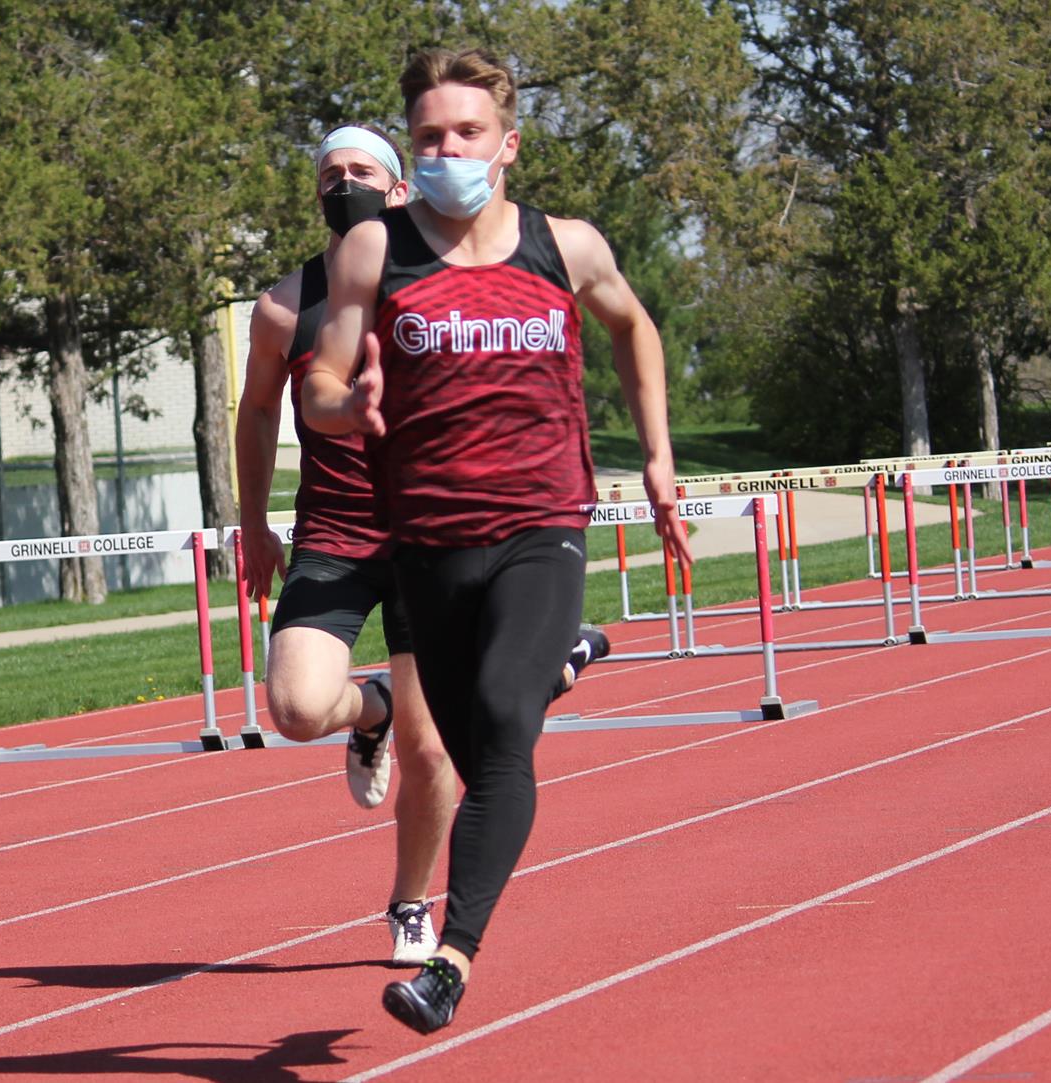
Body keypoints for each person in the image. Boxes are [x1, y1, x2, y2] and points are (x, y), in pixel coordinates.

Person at [300, 51, 692, 1034]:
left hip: (541, 526)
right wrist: (347, 406)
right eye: (427, 137)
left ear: (505, 145)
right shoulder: (371, 254)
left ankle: (448, 960)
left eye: (464, 135)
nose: (445, 152)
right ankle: (562, 660)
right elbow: (318, 385)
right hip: (427, 539)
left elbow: (632, 330)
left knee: (504, 730)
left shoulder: (564, 246)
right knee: (476, 745)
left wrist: (655, 461)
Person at [236, 123, 611, 967]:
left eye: (363, 171)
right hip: (334, 530)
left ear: (400, 190)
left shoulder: (449, 286)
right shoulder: (283, 308)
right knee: (294, 706)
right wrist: (254, 520)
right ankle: (370, 705)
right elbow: (259, 411)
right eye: (330, 173)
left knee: (434, 743)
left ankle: (412, 901)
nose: (345, 184)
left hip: (431, 530)